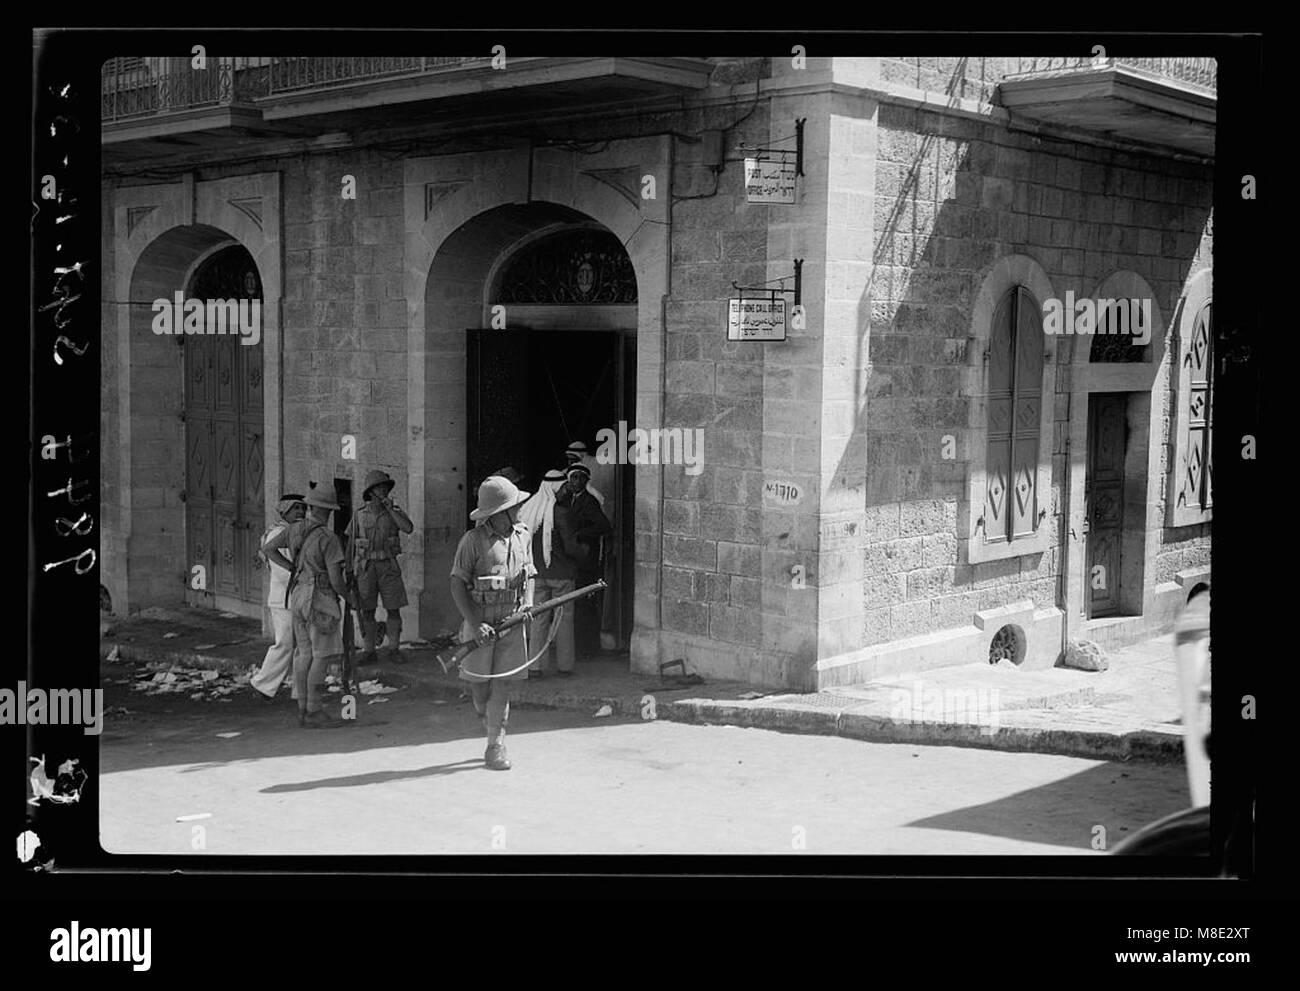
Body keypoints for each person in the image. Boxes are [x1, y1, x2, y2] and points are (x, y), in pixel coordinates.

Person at [449, 475, 536, 771]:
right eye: (515, 506)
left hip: (512, 623)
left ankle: (494, 745)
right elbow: (457, 585)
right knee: (479, 689)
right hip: (481, 628)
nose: (520, 510)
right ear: (499, 513)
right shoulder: (472, 542)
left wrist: (527, 602)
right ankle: (486, 716)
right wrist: (474, 625)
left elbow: (529, 573)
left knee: (503, 685)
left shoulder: (523, 535)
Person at [264, 487, 358, 729]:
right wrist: (351, 599)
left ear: (311, 507)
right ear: (328, 510)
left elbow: (269, 549)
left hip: (297, 595)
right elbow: (336, 580)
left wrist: (291, 567)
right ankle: (315, 709)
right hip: (320, 597)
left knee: (304, 654)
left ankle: (303, 709)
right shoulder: (328, 537)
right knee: (321, 655)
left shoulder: (294, 529)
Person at [346, 469, 413, 666]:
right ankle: (369, 651)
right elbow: (350, 544)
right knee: (367, 610)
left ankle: (394, 649)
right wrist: (349, 569)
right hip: (366, 568)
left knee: (393, 608)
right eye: (379, 488)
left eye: (385, 487)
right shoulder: (359, 515)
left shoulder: (394, 512)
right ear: (371, 491)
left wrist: (391, 509)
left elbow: (408, 528)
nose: (384, 491)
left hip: (388, 567)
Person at [518, 469, 578, 678]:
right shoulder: (560, 512)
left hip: (537, 575)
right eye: (562, 487)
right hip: (561, 575)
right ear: (554, 488)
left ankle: (535, 667)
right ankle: (564, 666)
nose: (565, 491)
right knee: (563, 620)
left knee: (538, 621)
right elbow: (571, 546)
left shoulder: (529, 509)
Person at [250, 493, 305, 701]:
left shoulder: (291, 531)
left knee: (300, 645)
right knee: (285, 643)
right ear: (284, 511)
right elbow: (282, 569)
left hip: (293, 596)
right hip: (284, 598)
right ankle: (263, 684)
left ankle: (298, 689)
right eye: (296, 509)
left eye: (302, 509)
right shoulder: (278, 534)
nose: (300, 512)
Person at [558, 463, 611, 659]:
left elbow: (604, 526)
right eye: (573, 477)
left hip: (587, 560)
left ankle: (588, 648)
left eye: (580, 478)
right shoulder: (568, 500)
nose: (576, 481)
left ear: (586, 481)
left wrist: (580, 534)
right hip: (575, 560)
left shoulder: (589, 502)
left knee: (586, 604)